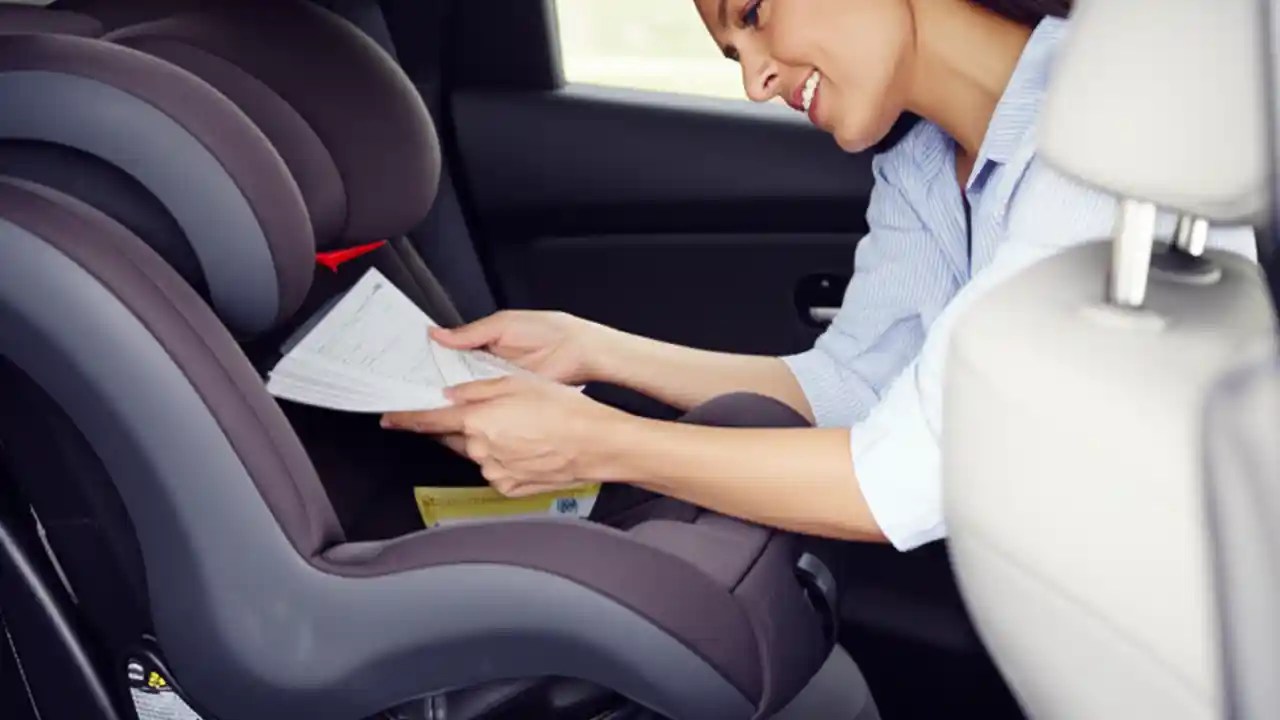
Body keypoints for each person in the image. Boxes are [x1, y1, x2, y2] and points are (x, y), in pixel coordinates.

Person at [382, 0, 1258, 550]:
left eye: (754, 13)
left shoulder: (1103, 134)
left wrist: (599, 442)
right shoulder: (923, 167)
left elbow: (902, 480)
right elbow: (851, 388)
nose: (756, 81)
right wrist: (594, 351)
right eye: (734, 54)